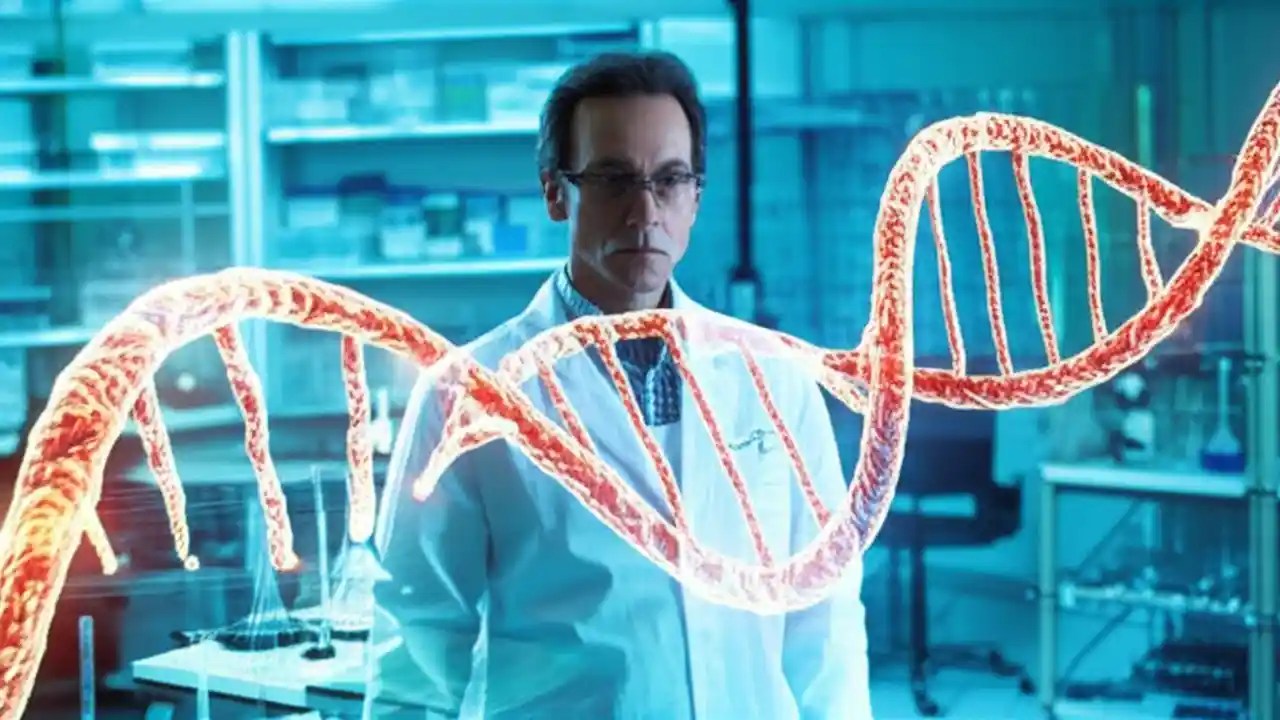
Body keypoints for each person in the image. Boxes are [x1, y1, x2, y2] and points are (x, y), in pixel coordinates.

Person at [370, 51, 871, 719]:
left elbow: (825, 619)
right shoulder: (467, 396)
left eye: (669, 180)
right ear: (555, 192)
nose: (644, 211)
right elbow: (418, 647)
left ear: (696, 198)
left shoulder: (773, 378)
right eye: (612, 179)